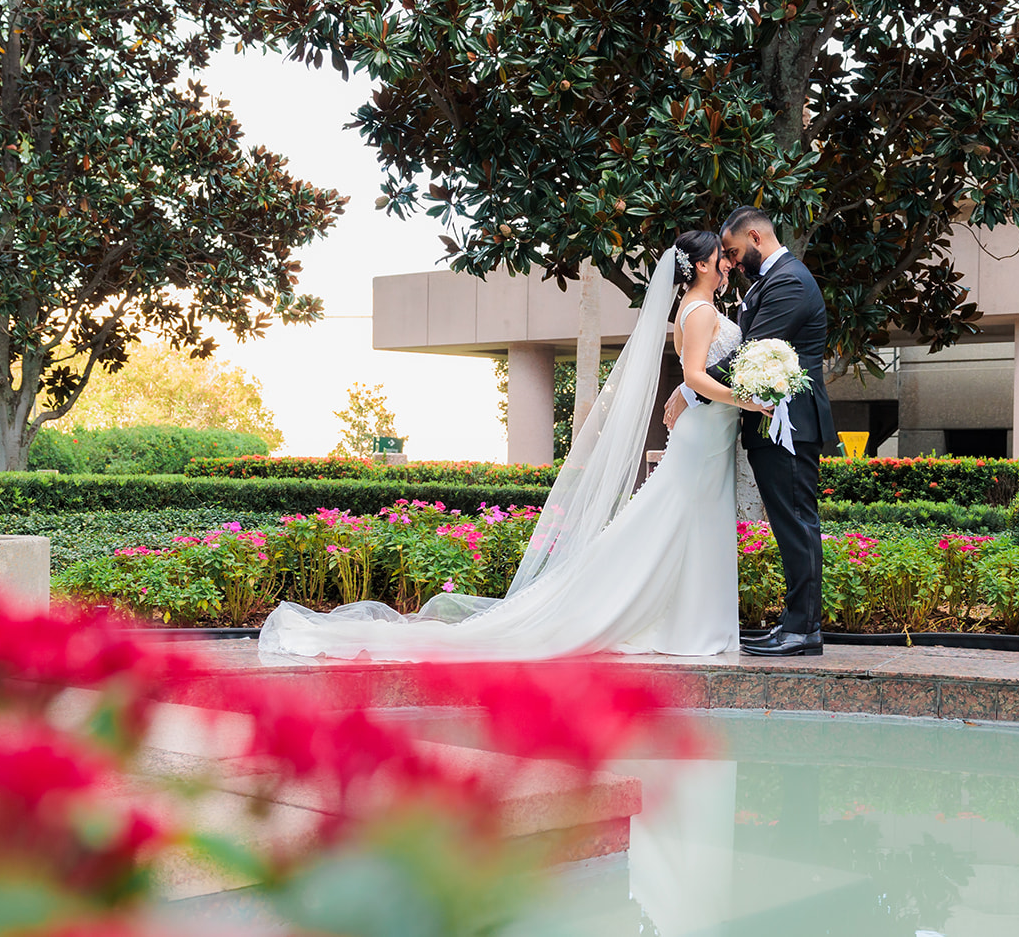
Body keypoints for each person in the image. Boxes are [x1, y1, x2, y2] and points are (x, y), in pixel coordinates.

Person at [257, 230, 767, 661]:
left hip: (711, 433)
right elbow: (696, 376)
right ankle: (676, 625)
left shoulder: (705, 307)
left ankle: (692, 625)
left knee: (690, 522)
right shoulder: (698, 312)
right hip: (704, 434)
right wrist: (747, 399)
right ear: (701, 263)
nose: (729, 262)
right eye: (723, 256)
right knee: (674, 518)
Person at [666, 206, 834, 657]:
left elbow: (753, 351)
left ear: (757, 238)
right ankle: (797, 624)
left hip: (790, 425)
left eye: (737, 251)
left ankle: (803, 629)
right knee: (788, 524)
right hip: (767, 423)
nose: (733, 262)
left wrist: (690, 388)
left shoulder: (790, 282)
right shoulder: (768, 282)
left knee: (796, 523)